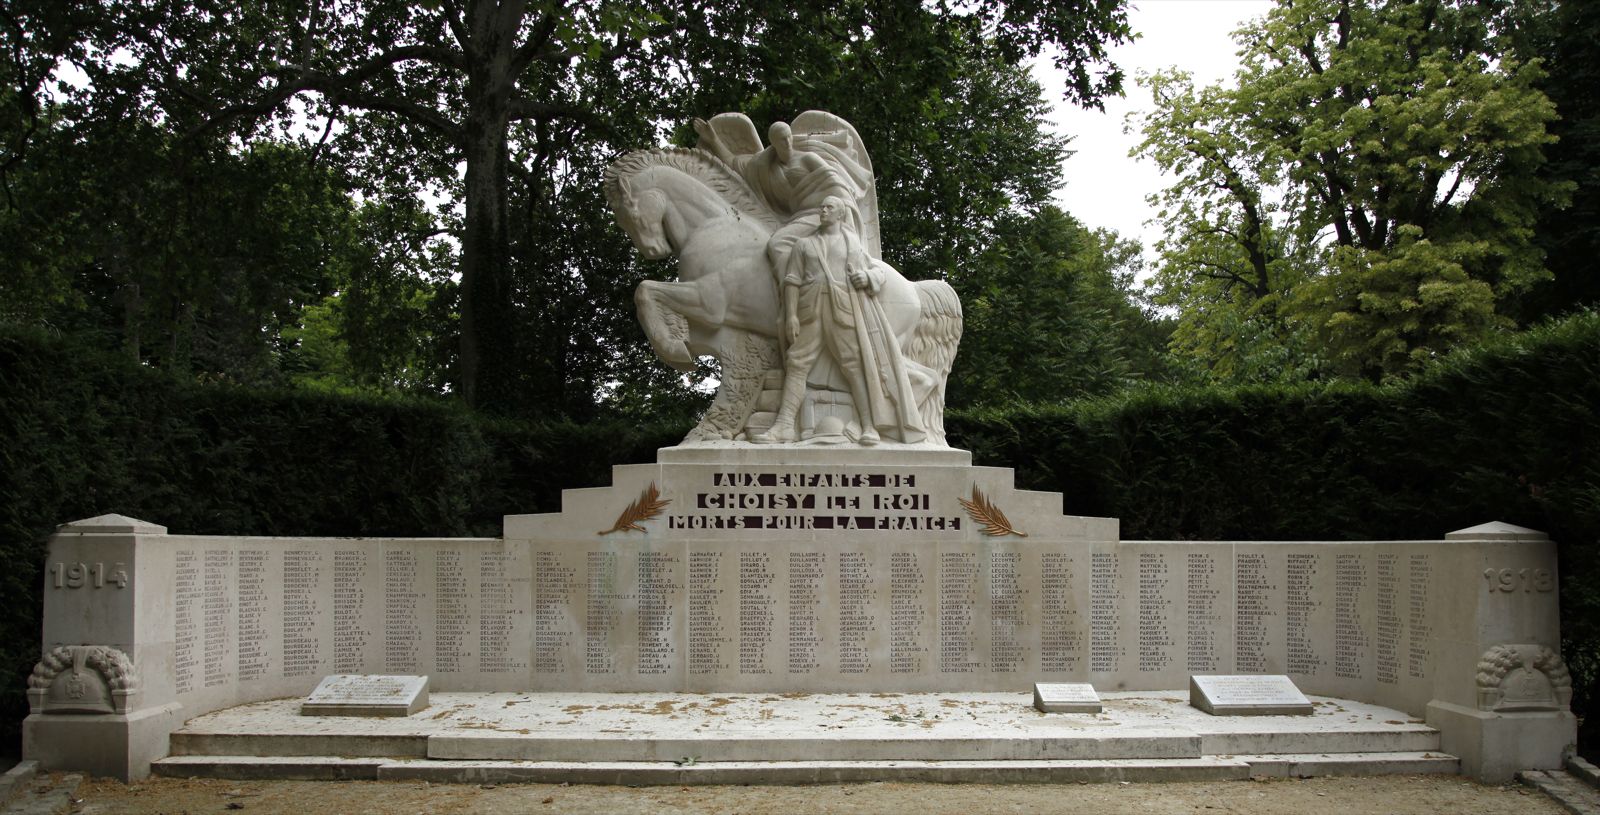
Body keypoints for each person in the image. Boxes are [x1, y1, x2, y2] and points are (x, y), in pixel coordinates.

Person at [752, 197, 926, 445]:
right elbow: (792, 281)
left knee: (854, 366)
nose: (823, 210)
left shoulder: (852, 244)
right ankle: (784, 426)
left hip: (843, 312)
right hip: (809, 311)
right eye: (822, 207)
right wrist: (791, 315)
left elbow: (877, 271)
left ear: (841, 215)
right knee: (797, 363)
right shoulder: (804, 244)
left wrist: (866, 277)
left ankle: (868, 425)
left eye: (829, 207)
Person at [693, 118, 873, 276]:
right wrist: (714, 140)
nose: (787, 142)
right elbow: (733, 163)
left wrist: (846, 222)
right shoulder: (763, 166)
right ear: (773, 143)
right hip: (795, 219)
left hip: (820, 215)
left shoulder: (808, 159)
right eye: (781, 139)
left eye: (788, 137)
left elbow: (836, 187)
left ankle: (794, 288)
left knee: (777, 244)